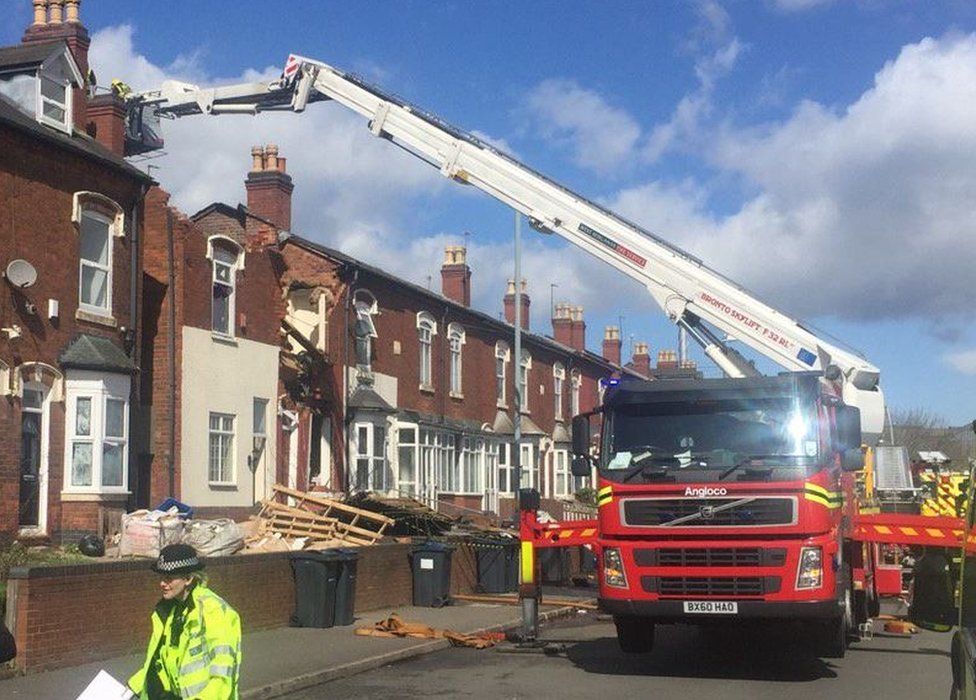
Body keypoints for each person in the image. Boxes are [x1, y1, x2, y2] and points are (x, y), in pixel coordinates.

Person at [128, 544, 241, 700]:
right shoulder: (170, 611)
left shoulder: (213, 610)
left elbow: (222, 673)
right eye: (161, 577)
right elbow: (158, 663)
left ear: (188, 578)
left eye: (169, 578)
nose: (162, 583)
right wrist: (131, 688)